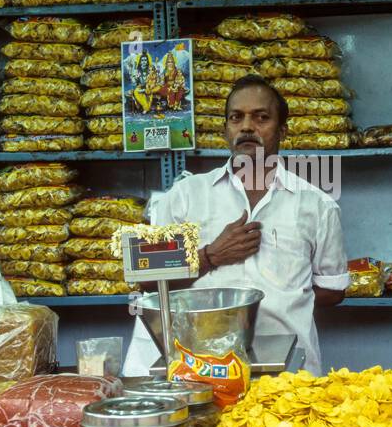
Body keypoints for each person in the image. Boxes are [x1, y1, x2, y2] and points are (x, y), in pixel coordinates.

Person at [122, 75, 348, 376]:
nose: (246, 127)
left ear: (282, 130)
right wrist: (211, 256)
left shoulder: (317, 205)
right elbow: (148, 282)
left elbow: (333, 290)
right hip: (194, 365)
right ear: (226, 130)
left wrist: (277, 305)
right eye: (235, 117)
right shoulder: (184, 197)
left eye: (261, 118)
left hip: (284, 369)